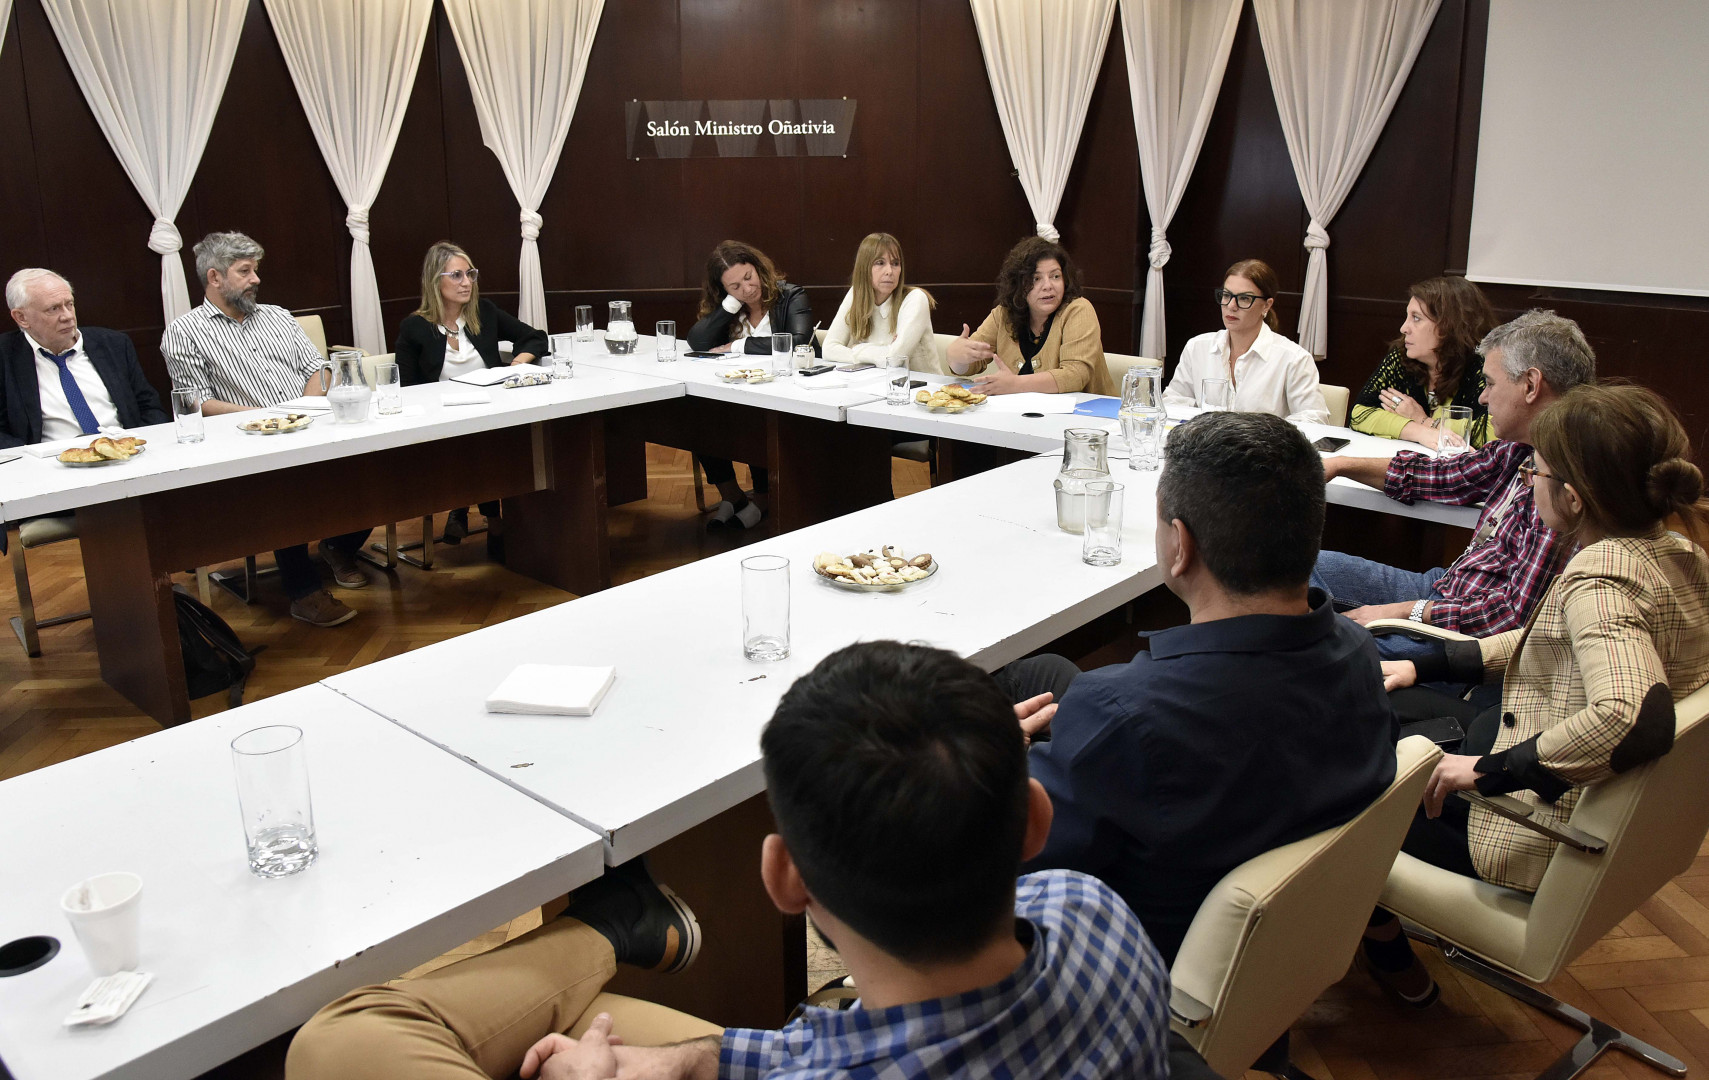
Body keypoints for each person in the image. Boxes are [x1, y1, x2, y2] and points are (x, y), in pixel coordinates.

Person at [286, 641, 1175, 1080]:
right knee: (603, 1023)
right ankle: (617, 933)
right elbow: (808, 1054)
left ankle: (607, 929)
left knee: (341, 1040)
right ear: (1033, 821)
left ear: (783, 880)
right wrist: (706, 1060)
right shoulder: (1094, 912)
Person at [1359, 383, 1709, 1007]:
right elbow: (1550, 640)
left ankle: (1374, 941)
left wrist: (1485, 770)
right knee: (1385, 706)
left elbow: (1634, 717)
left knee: (1323, 770)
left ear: (1572, 497)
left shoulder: (1599, 578)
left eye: (1534, 472)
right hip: (1585, 809)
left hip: (1525, 829)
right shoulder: (1673, 552)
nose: (1527, 481)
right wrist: (1434, 661)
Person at [1024, 410, 1398, 963]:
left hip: (1130, 977)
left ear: (1180, 545)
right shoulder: (1359, 653)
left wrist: (979, 775)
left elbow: (1013, 871)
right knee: (1044, 672)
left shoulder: (1123, 716)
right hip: (1277, 958)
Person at [1313, 310, 1597, 665]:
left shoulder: (1562, 478)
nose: (1482, 398)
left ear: (1531, 385)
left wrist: (1408, 612)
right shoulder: (1521, 446)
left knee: (1323, 648)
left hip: (1458, 636)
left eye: (1490, 384)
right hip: (1447, 590)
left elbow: (1512, 618)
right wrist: (1339, 465)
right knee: (1303, 567)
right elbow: (1438, 476)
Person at [161, 231, 371, 628]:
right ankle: (303, 592)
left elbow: (318, 369)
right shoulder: (184, 331)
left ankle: (338, 546)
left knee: (374, 467)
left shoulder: (277, 316)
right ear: (215, 277)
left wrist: (302, 412)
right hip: (247, 446)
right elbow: (197, 402)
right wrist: (265, 418)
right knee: (284, 488)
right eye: (245, 271)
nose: (256, 279)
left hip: (312, 428)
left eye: (255, 270)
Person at [394, 241, 547, 552]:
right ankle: (492, 521)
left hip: (490, 413)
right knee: (478, 447)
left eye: (471, 274)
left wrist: (517, 363)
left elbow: (534, 336)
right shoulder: (415, 327)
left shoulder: (484, 313)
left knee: (495, 441)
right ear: (436, 280)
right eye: (457, 275)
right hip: (442, 421)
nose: (466, 282)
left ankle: (464, 512)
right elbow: (406, 387)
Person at [685, 241, 815, 530]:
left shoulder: (791, 295)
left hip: (787, 396)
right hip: (739, 393)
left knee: (757, 420)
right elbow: (698, 342)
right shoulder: (733, 307)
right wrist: (728, 306)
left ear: (758, 268)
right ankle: (732, 496)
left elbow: (798, 341)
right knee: (702, 419)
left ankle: (764, 497)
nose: (747, 289)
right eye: (734, 286)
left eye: (748, 277)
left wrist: (738, 345)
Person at [2, 268, 167, 449]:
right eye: (53, 309)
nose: (67, 316)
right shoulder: (6, 356)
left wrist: (135, 447)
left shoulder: (113, 344)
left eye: (69, 304)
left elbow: (150, 408)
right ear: (21, 317)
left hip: (125, 454)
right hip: (52, 466)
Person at [1162, 258, 1328, 423]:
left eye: (1244, 299)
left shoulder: (1294, 359)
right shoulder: (1197, 347)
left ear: (1266, 305)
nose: (1231, 306)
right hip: (1206, 446)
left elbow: (1314, 419)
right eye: (1226, 295)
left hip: (1263, 448)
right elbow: (1172, 402)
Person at [945, 235, 1114, 396]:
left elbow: (1075, 375)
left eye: (1055, 276)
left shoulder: (1078, 310)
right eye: (1036, 279)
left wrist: (1014, 385)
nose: (1048, 286)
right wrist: (956, 357)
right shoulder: (1004, 314)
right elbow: (974, 361)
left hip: (1087, 419)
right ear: (1018, 284)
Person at [1350, 276, 1496, 450]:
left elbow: (1490, 436)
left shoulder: (1483, 366)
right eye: (1407, 317)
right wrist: (1420, 432)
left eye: (1416, 318)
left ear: (1449, 325)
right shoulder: (1403, 356)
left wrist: (1423, 420)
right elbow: (1360, 414)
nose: (1404, 328)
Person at [821, 232, 936, 371]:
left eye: (895, 263)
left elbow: (895, 360)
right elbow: (828, 349)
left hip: (923, 388)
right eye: (880, 263)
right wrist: (883, 352)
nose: (889, 271)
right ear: (864, 268)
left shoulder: (915, 299)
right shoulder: (855, 294)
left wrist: (858, 349)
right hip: (876, 383)